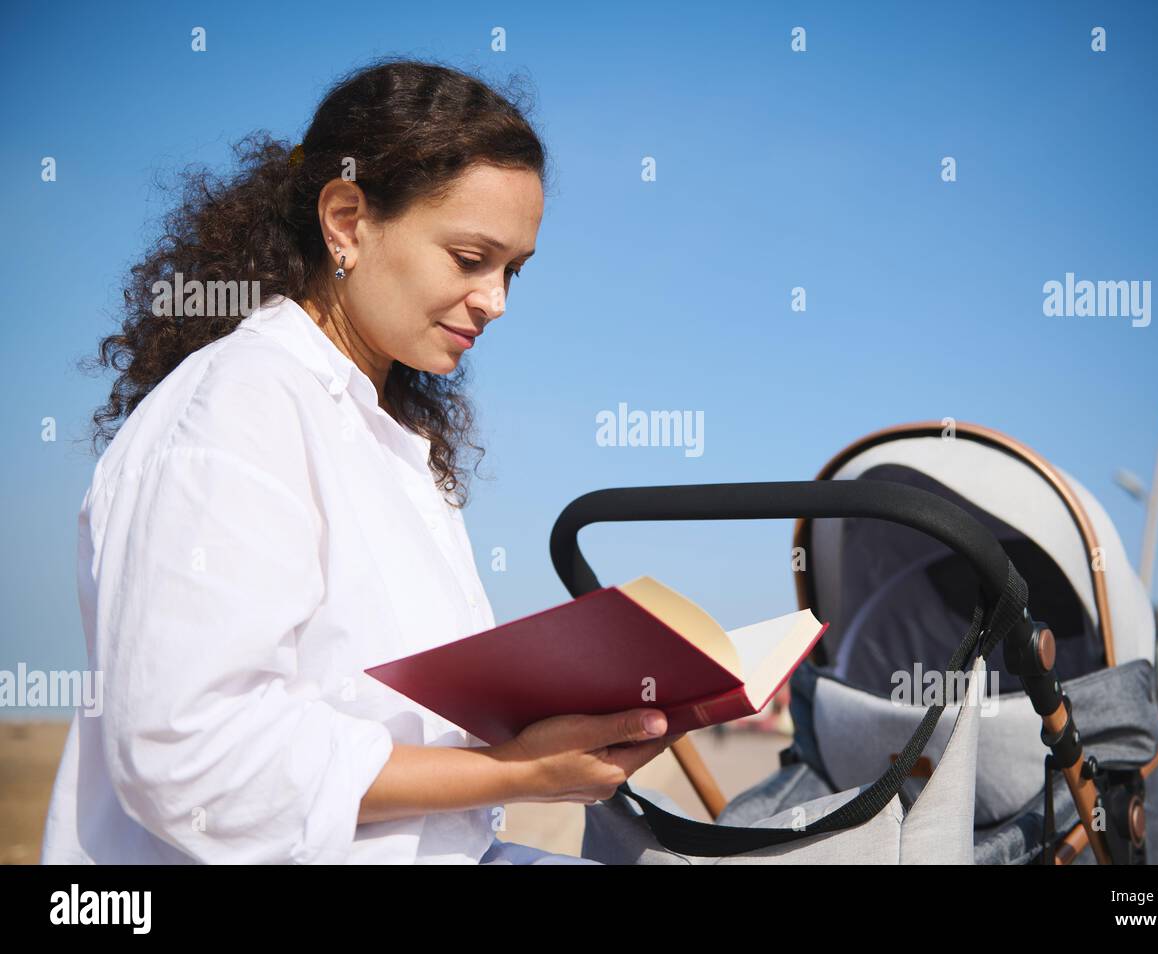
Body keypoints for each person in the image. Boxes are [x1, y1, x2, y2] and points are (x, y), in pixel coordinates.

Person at [41, 58, 681, 865]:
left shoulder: (383, 433)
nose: (497, 301)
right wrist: (510, 772)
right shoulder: (235, 409)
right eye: (470, 257)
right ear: (346, 220)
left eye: (513, 270)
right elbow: (192, 760)